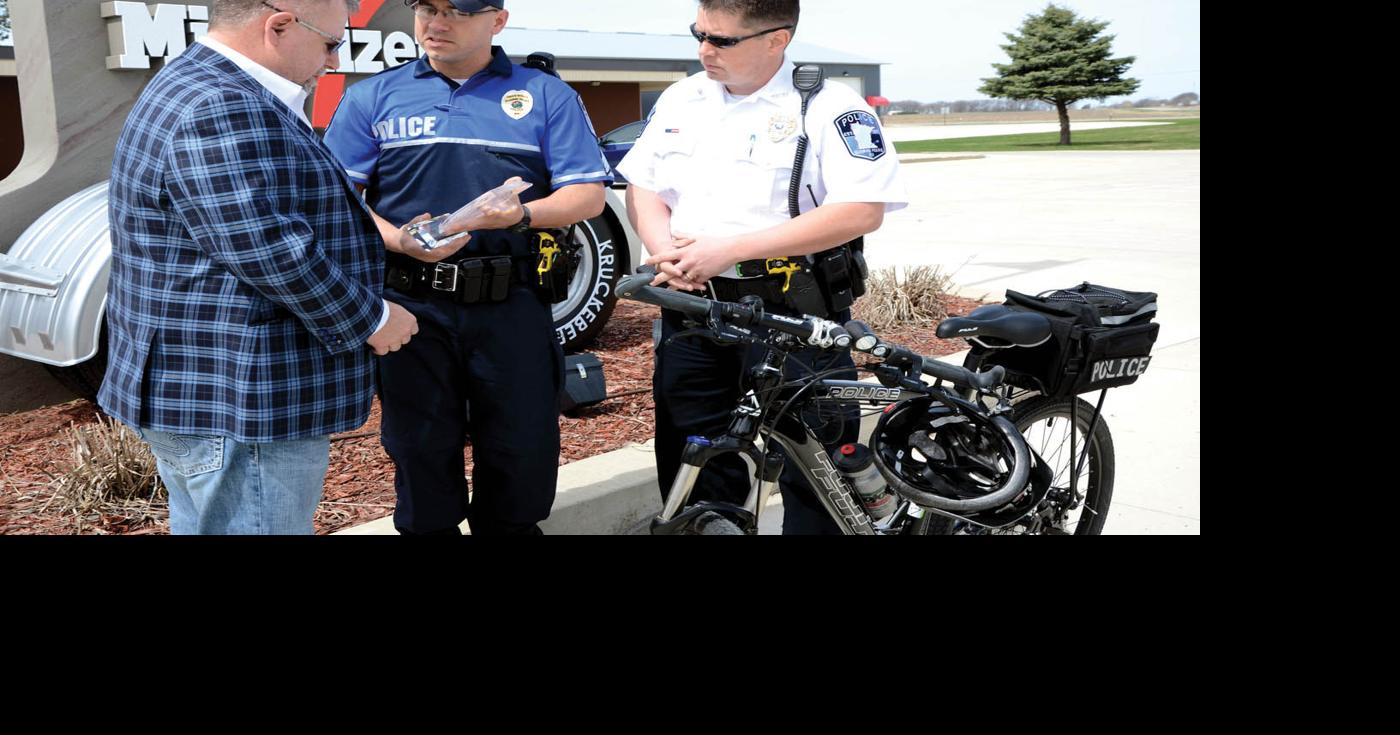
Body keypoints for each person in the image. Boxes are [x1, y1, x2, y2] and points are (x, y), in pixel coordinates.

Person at [101, 0, 419, 535]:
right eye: (330, 44)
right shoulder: (221, 102)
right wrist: (372, 319)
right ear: (278, 26)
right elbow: (265, 246)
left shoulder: (195, 83)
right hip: (239, 401)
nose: (334, 63)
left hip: (214, 395)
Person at [616, 0, 907, 533]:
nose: (704, 50)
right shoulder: (683, 98)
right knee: (694, 457)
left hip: (792, 311)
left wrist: (729, 250)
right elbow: (645, 184)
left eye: (722, 40)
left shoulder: (826, 105)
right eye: (698, 34)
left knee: (816, 466)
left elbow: (862, 210)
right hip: (694, 305)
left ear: (778, 39)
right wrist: (665, 252)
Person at [323, 0, 611, 535]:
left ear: (497, 21)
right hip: (414, 310)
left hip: (512, 307)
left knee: (520, 458)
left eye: (456, 11)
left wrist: (524, 212)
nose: (436, 23)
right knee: (421, 455)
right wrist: (400, 241)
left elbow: (588, 195)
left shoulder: (546, 94)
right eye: (427, 9)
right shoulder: (372, 97)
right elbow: (339, 198)